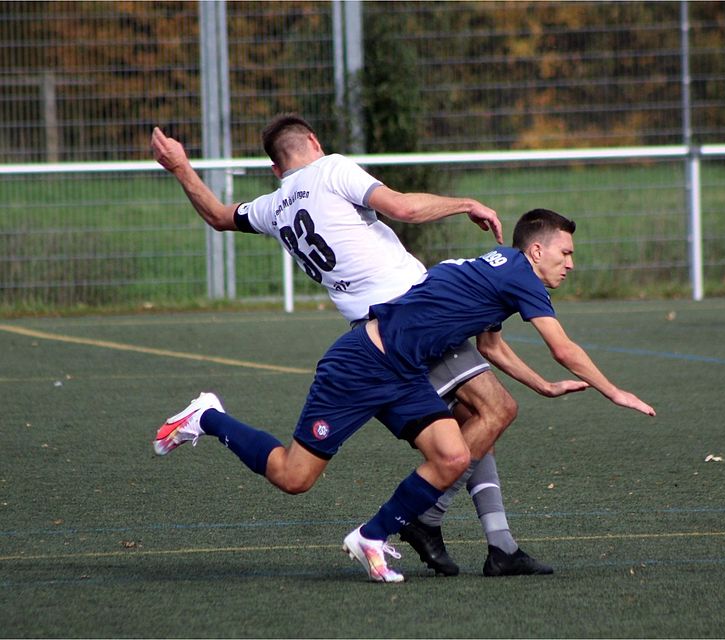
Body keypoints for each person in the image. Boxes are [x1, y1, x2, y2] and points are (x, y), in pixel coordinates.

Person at [150, 114, 565, 576]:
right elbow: (403, 208)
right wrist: (465, 202)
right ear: (314, 141)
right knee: (494, 411)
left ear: (275, 168)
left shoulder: (274, 204)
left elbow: (218, 215)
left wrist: (181, 168)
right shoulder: (332, 168)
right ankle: (432, 520)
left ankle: (495, 543)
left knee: (473, 422)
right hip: (410, 318)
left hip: (374, 328)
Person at [153, 208, 656, 583]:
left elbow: (489, 343)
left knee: (454, 453)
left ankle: (371, 536)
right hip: (360, 365)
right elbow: (563, 348)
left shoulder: (500, 268)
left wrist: (542, 386)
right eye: (566, 253)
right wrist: (614, 392)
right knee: (293, 476)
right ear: (537, 250)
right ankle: (208, 417)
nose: (571, 263)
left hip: (405, 373)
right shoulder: (522, 277)